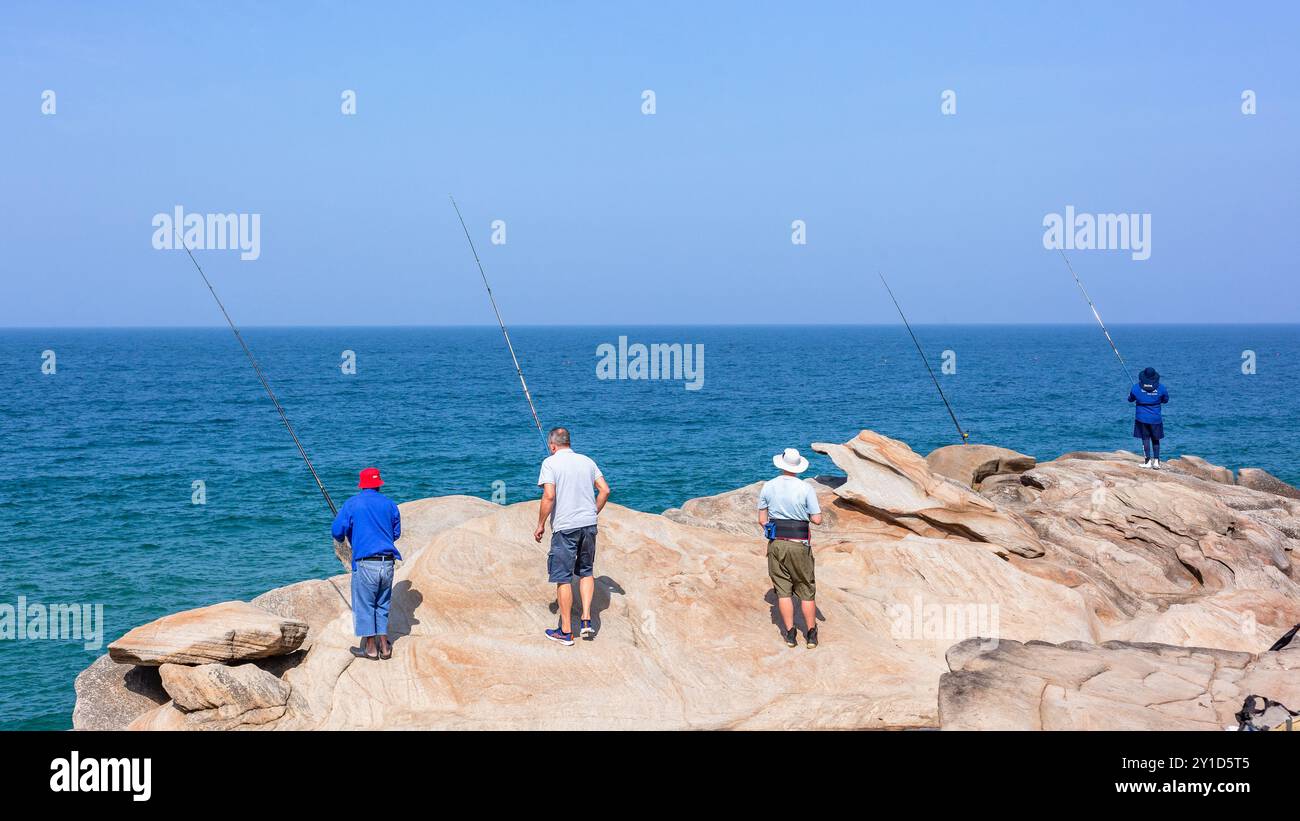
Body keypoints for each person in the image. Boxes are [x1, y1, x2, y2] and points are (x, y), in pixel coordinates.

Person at [534, 427, 610, 646]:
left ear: (552, 445)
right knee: (586, 572)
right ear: (569, 442)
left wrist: (540, 524)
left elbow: (549, 496)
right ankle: (586, 619)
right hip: (588, 525)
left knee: (563, 577)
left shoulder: (550, 463)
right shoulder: (587, 461)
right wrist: (593, 512)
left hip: (565, 528)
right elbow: (604, 490)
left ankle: (566, 632)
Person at [331, 467, 402, 660]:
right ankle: (385, 647)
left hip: (365, 564)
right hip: (387, 563)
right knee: (382, 604)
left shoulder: (353, 504)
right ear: (379, 484)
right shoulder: (390, 504)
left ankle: (371, 649)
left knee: (365, 605)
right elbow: (395, 534)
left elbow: (337, 532)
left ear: (362, 485)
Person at [758, 448, 823, 648]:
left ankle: (790, 634)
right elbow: (817, 520)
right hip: (799, 544)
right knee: (806, 589)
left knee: (783, 591)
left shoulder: (768, 486)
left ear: (781, 465)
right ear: (798, 467)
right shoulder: (805, 488)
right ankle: (811, 635)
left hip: (777, 544)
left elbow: (762, 520)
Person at [1128, 367, 1170, 469]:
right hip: (1155, 419)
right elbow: (1165, 400)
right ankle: (1156, 462)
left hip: (1141, 418)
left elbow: (1130, 399)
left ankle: (1147, 461)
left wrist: (1137, 395)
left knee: (1145, 439)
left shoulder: (1136, 388)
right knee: (1156, 439)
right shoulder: (1161, 388)